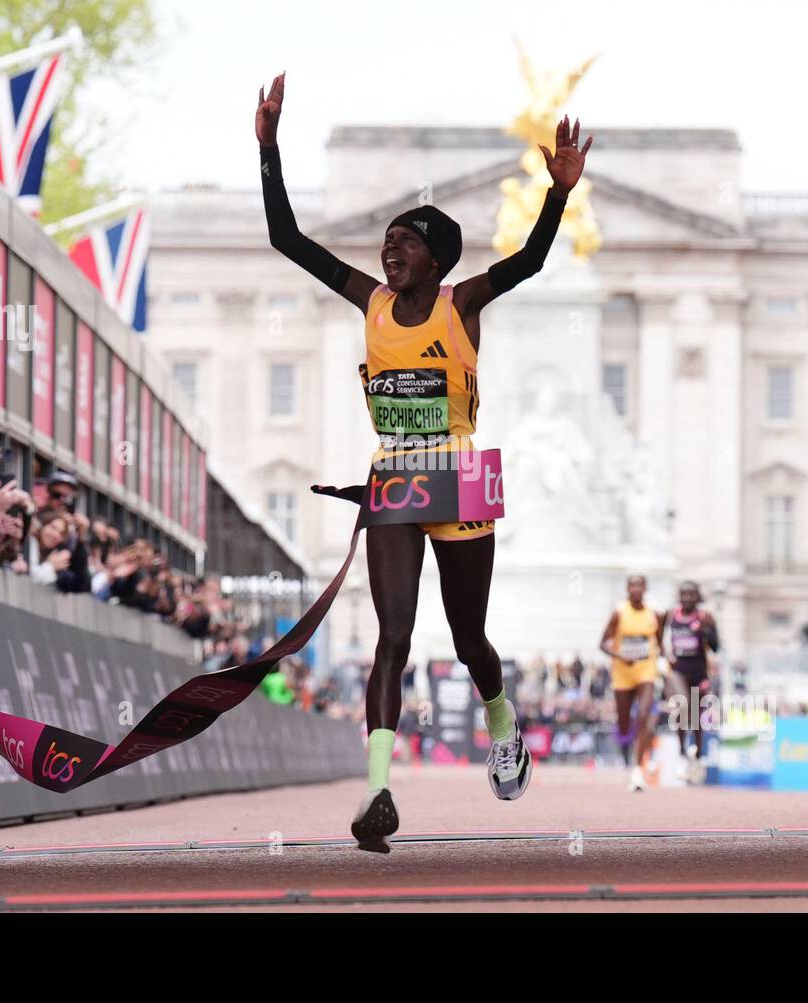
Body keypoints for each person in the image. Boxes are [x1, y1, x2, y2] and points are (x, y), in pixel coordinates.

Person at [257, 71, 592, 851]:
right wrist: (270, 150)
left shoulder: (461, 303)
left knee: (468, 638)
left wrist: (558, 194)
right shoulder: (369, 300)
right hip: (397, 478)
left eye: (402, 244)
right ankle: (377, 791)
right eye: (386, 245)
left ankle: (500, 719)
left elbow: (533, 262)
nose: (387, 253)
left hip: (462, 475)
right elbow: (288, 240)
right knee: (393, 639)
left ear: (435, 259)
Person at [598, 575, 661, 791]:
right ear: (627, 589)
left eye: (639, 585)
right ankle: (628, 751)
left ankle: (637, 768)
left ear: (645, 588)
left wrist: (665, 660)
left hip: (646, 671)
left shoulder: (654, 614)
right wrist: (620, 655)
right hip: (622, 674)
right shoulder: (619, 612)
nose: (636, 589)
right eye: (632, 585)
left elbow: (659, 643)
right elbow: (602, 644)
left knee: (644, 715)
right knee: (624, 724)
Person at [659, 580, 720, 782]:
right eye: (684, 594)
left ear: (697, 597)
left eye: (691, 595)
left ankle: (698, 753)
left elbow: (716, 646)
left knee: (696, 717)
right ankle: (681, 752)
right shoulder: (670, 615)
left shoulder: (705, 617)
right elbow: (657, 637)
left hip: (699, 672)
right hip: (678, 670)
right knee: (681, 704)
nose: (687, 598)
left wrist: (707, 630)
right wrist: (666, 655)